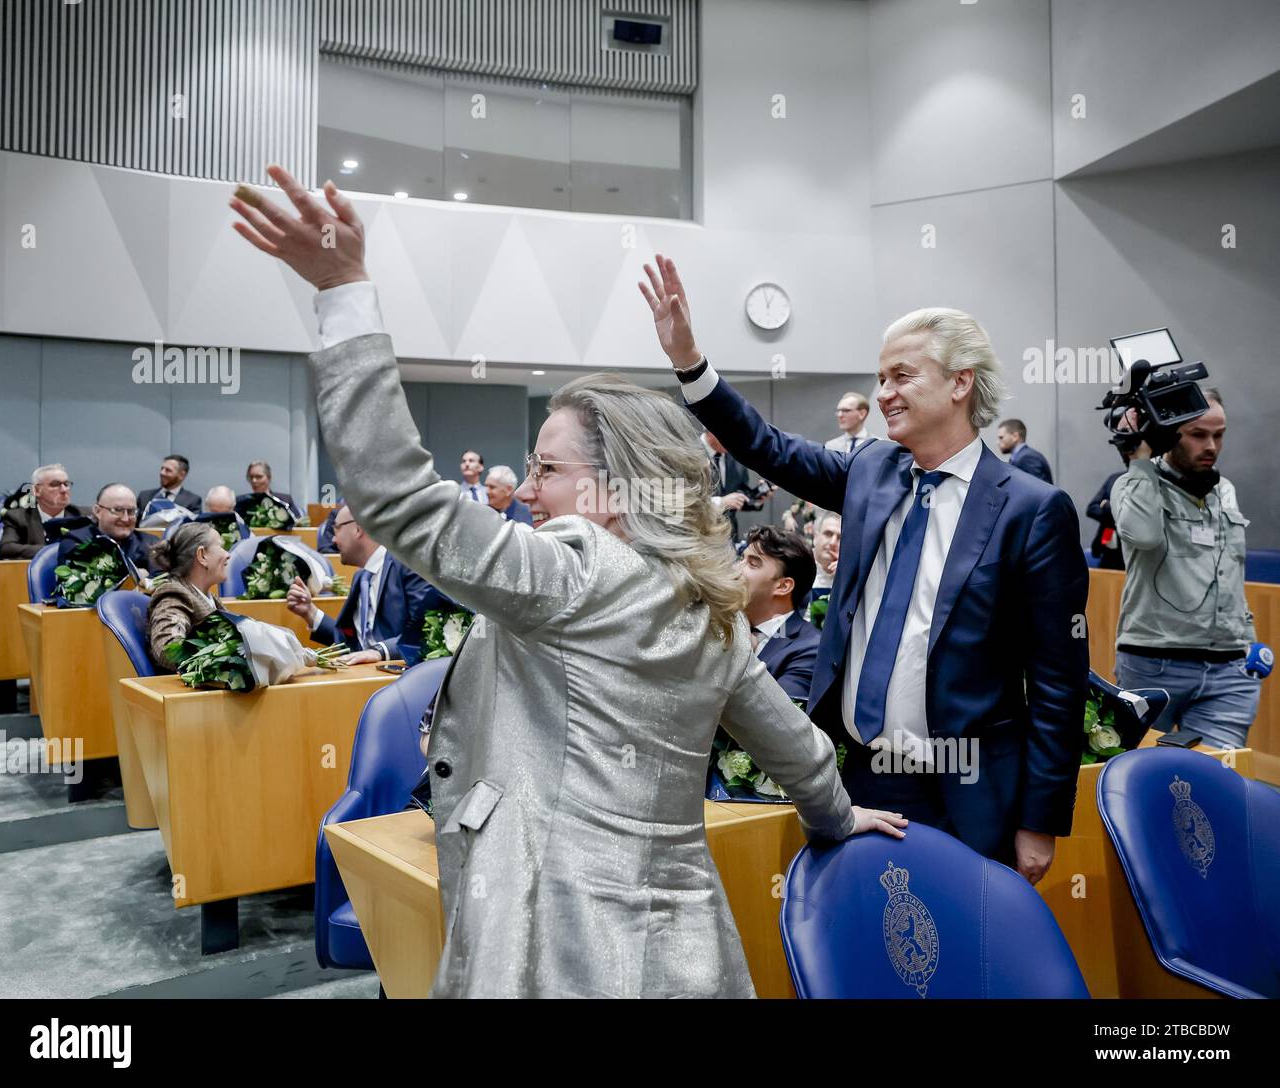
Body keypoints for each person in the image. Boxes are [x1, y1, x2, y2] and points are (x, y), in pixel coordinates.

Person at [230, 165, 905, 998]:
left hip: (550, 942)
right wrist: (839, 819)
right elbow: (797, 750)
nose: (529, 486)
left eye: (548, 467)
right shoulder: (713, 608)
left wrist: (343, 291)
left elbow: (398, 497)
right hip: (686, 945)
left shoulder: (568, 572)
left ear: (612, 491)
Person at [640, 253, 1088, 881]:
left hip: (966, 788)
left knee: (964, 960)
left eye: (902, 376)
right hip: (857, 778)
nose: (883, 395)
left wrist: (1041, 820)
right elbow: (766, 444)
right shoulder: (870, 469)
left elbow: (1057, 682)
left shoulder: (1031, 510)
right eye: (880, 378)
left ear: (960, 383)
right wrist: (691, 363)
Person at [1110, 390, 1260, 749]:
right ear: (1168, 433)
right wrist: (1142, 458)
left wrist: (1248, 640)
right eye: (1197, 434)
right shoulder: (1132, 486)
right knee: (1140, 779)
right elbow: (1144, 535)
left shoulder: (1224, 490)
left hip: (1228, 670)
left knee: (1218, 783)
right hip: (1153, 662)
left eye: (1219, 434)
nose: (1211, 446)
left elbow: (1230, 568)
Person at [285, 501, 458, 664]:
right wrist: (310, 612)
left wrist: (380, 651)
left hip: (398, 678)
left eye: (336, 528)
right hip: (361, 676)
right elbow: (349, 642)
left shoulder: (409, 565)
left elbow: (428, 630)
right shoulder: (361, 577)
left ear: (358, 528)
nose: (333, 540)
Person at [739, 526, 820, 703]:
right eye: (741, 559)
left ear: (783, 586)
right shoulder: (722, 626)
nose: (737, 569)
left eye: (752, 563)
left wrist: (743, 657)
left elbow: (775, 719)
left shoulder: (810, 649)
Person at [146, 522, 232, 669]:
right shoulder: (174, 595)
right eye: (220, 546)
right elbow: (168, 649)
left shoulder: (209, 598)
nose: (228, 554)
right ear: (202, 555)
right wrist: (224, 660)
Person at [0, 464, 82, 559]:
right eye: (55, 484)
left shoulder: (81, 515)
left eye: (66, 484)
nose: (64, 490)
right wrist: (55, 550)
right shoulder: (17, 517)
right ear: (37, 491)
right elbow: (7, 548)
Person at [703, 431, 770, 544]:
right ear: (711, 431)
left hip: (729, 538)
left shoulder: (735, 456)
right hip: (702, 535)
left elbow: (740, 497)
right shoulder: (689, 454)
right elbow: (683, 503)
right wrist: (721, 502)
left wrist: (757, 499)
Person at [89, 483, 154, 572]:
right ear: (97, 511)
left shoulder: (149, 544)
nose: (125, 519)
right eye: (118, 510)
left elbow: (161, 577)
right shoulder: (76, 542)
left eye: (131, 511)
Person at [1085, 464, 1128, 571]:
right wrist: (1116, 515)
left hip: (1132, 551)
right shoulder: (1114, 478)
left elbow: (1131, 516)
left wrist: (1107, 506)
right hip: (1108, 548)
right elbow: (1091, 509)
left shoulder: (1146, 483)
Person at [138, 455, 202, 516]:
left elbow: (195, 526)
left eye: (168, 470)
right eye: (162, 468)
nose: (162, 473)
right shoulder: (144, 497)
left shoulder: (193, 501)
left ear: (182, 475)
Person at [236, 461, 301, 520]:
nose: (254, 481)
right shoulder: (242, 502)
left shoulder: (285, 500)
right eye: (251, 477)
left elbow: (299, 523)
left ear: (269, 477)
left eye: (258, 477)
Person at [996, 419, 1053, 483]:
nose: (997, 442)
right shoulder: (1022, 456)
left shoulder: (1027, 458)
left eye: (1001, 437)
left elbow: (1038, 489)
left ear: (1015, 436)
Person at [807, 512, 841, 606]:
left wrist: (842, 580)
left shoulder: (849, 577)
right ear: (815, 537)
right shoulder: (797, 566)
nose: (833, 543)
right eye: (828, 534)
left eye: (840, 538)